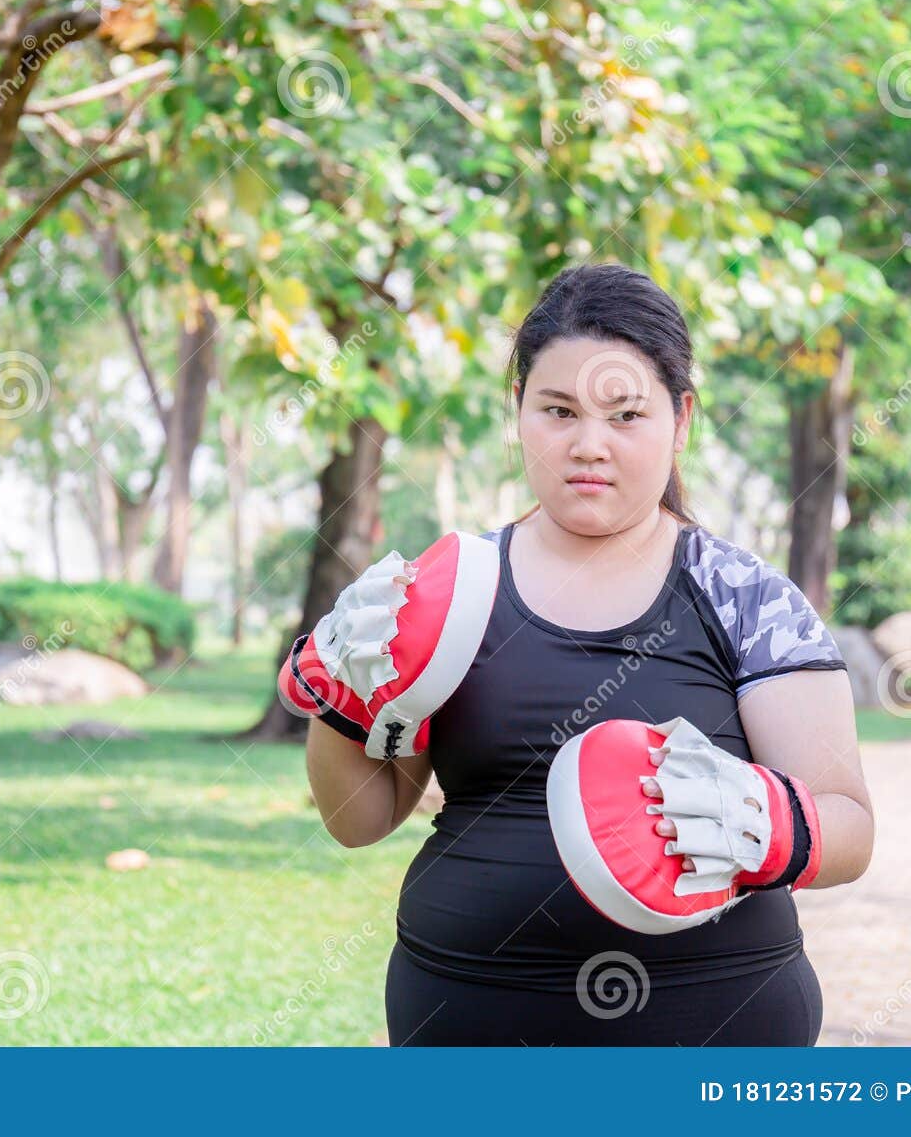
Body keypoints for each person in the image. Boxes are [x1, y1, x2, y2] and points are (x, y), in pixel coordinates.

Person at [304, 263, 874, 1046]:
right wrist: (342, 696)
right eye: (558, 410)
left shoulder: (749, 599)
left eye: (625, 414)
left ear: (681, 421)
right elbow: (360, 819)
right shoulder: (451, 588)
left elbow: (849, 827)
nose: (588, 445)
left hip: (712, 1025)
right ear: (519, 412)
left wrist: (760, 819)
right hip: (464, 1024)